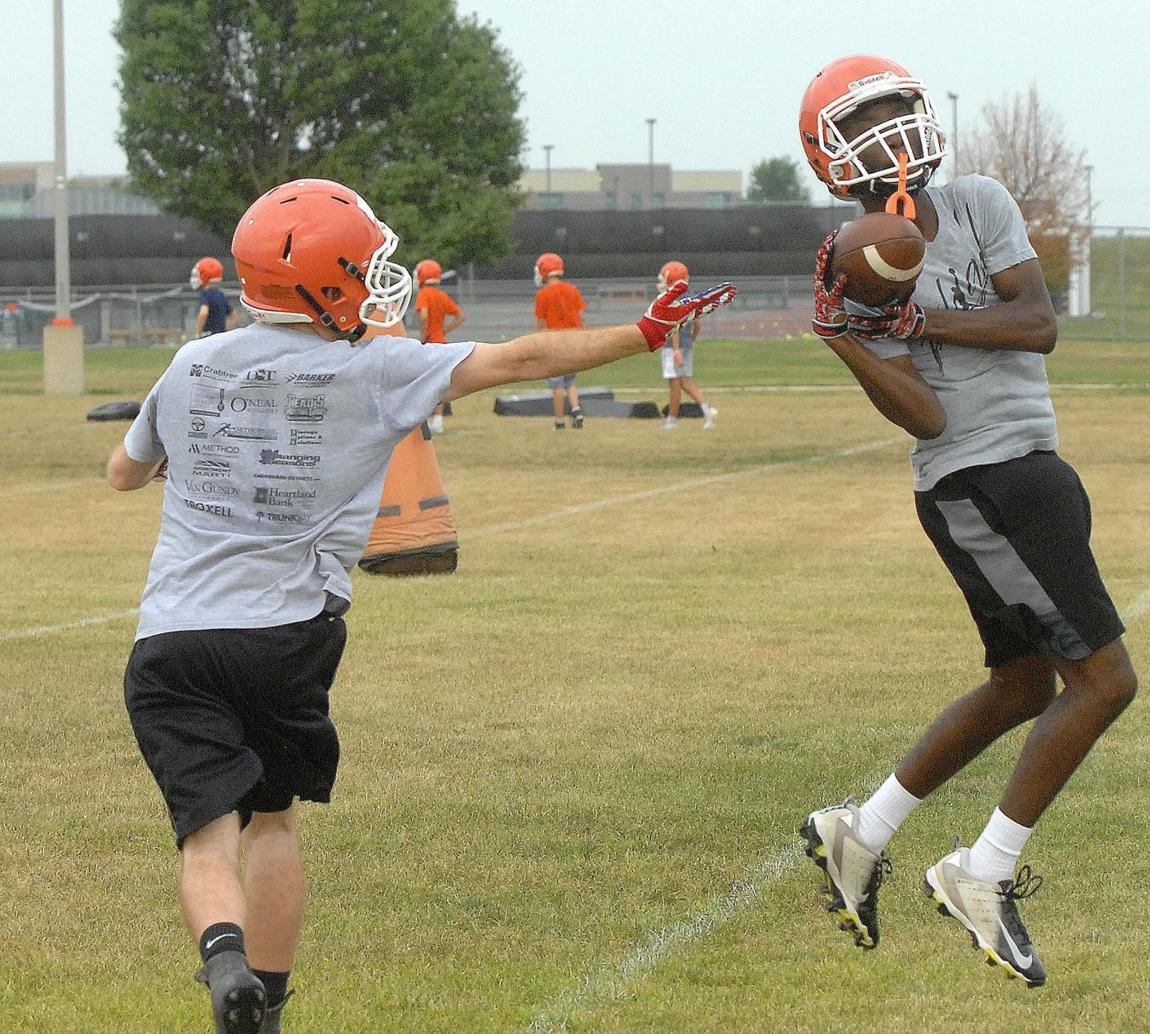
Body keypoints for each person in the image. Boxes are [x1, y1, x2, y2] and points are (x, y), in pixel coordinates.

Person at [107, 178, 735, 1034]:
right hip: (285, 634)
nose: (376, 283)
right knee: (273, 825)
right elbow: (520, 360)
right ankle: (269, 1005)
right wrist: (645, 332)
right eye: (362, 269)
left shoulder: (190, 363)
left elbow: (124, 471)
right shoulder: (375, 368)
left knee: (206, 839)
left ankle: (223, 957)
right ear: (324, 285)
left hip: (173, 636)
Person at [795, 56, 1137, 988]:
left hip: (1027, 466)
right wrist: (842, 337)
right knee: (1102, 682)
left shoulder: (979, 200)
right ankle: (980, 873)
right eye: (864, 119)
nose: (890, 129)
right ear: (829, 153)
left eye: (895, 108)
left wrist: (921, 323)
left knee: (1024, 685)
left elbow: (1036, 322)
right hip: (982, 482)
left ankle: (859, 833)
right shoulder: (849, 263)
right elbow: (925, 418)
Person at [656, 261, 718, 430]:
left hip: (673, 347)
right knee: (684, 381)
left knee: (675, 383)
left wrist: (676, 350)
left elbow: (674, 327)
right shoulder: (687, 299)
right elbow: (697, 325)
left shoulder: (671, 301)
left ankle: (673, 419)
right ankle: (706, 409)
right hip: (686, 344)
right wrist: (690, 341)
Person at [532, 252, 588, 428]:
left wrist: (535, 341)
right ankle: (576, 410)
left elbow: (541, 323)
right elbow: (581, 316)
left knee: (556, 384)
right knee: (570, 380)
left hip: (554, 342)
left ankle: (559, 420)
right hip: (573, 339)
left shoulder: (543, 294)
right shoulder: (573, 290)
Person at [413, 259, 465, 433]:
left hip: (429, 343)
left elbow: (424, 316)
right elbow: (460, 316)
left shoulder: (423, 294)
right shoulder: (442, 295)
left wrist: (423, 337)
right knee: (439, 383)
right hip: (441, 342)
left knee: (425, 383)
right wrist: (443, 330)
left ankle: (424, 419)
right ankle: (438, 420)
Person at [191, 257, 238, 338]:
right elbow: (234, 316)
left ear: (205, 275)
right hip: (219, 338)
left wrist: (198, 334)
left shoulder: (205, 294)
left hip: (208, 337)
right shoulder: (220, 294)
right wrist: (225, 334)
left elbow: (203, 313)